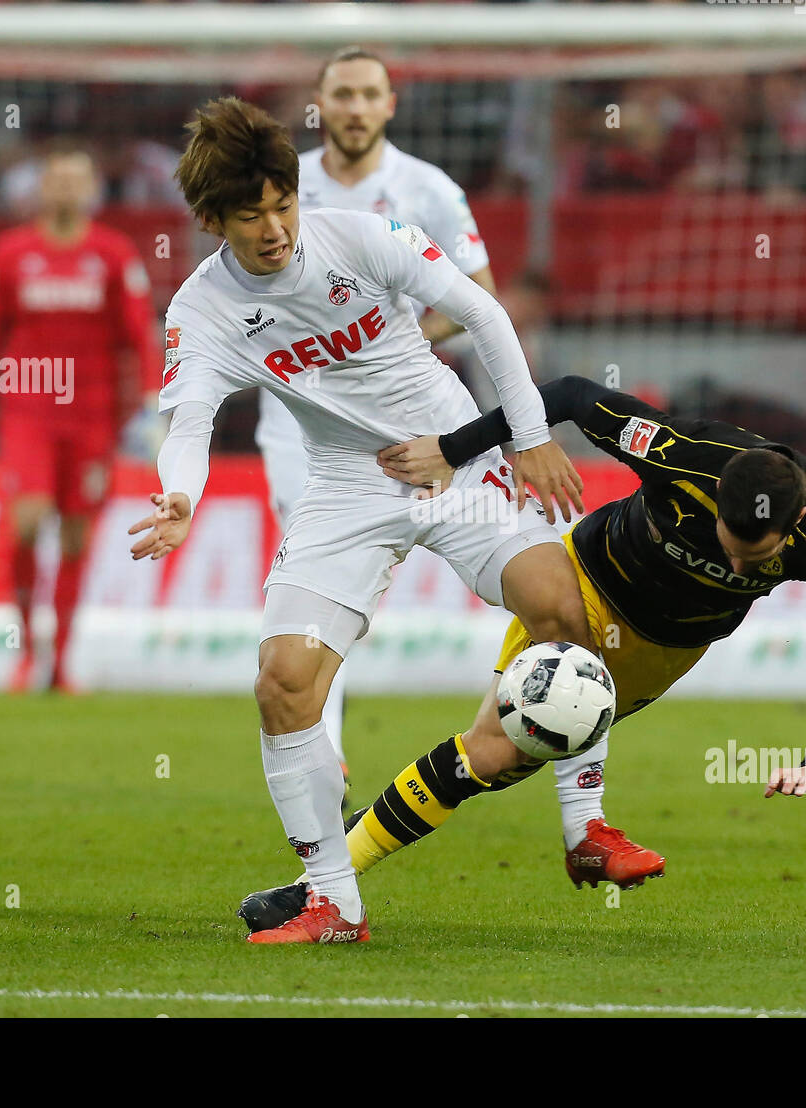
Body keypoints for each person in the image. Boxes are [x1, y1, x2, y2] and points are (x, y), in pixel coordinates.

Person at [128, 96, 605, 946]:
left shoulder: (364, 235)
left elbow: (487, 313)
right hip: (348, 483)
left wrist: (526, 438)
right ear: (211, 221)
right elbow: (191, 423)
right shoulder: (199, 313)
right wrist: (180, 496)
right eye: (251, 216)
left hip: (452, 454)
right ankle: (334, 903)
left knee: (563, 610)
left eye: (283, 204)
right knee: (282, 682)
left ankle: (586, 827)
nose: (275, 228)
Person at [238, 376, 806, 932]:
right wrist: (453, 449)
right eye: (727, 544)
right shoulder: (684, 454)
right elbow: (570, 395)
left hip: (665, 651)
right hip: (583, 586)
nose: (734, 564)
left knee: (515, 760)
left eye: (752, 562)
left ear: (789, 533)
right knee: (490, 751)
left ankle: (580, 835)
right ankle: (319, 890)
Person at [256, 46, 498, 794]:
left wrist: (384, 341)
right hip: (303, 428)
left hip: (418, 423)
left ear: (390, 105)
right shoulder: (281, 186)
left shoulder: (427, 189)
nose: (355, 107)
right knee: (315, 588)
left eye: (369, 95)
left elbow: (478, 292)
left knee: (519, 573)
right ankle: (323, 756)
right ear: (319, 104)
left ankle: (548, 762)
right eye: (342, 94)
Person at [0, 148, 162, 691]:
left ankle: (58, 661)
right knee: (28, 521)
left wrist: (155, 407)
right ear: (41, 188)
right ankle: (23, 649)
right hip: (28, 411)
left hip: (92, 417)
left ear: (90, 190)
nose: (63, 188)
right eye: (54, 178)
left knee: (77, 538)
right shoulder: (12, 253)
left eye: (73, 179)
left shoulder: (112, 254)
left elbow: (140, 335)